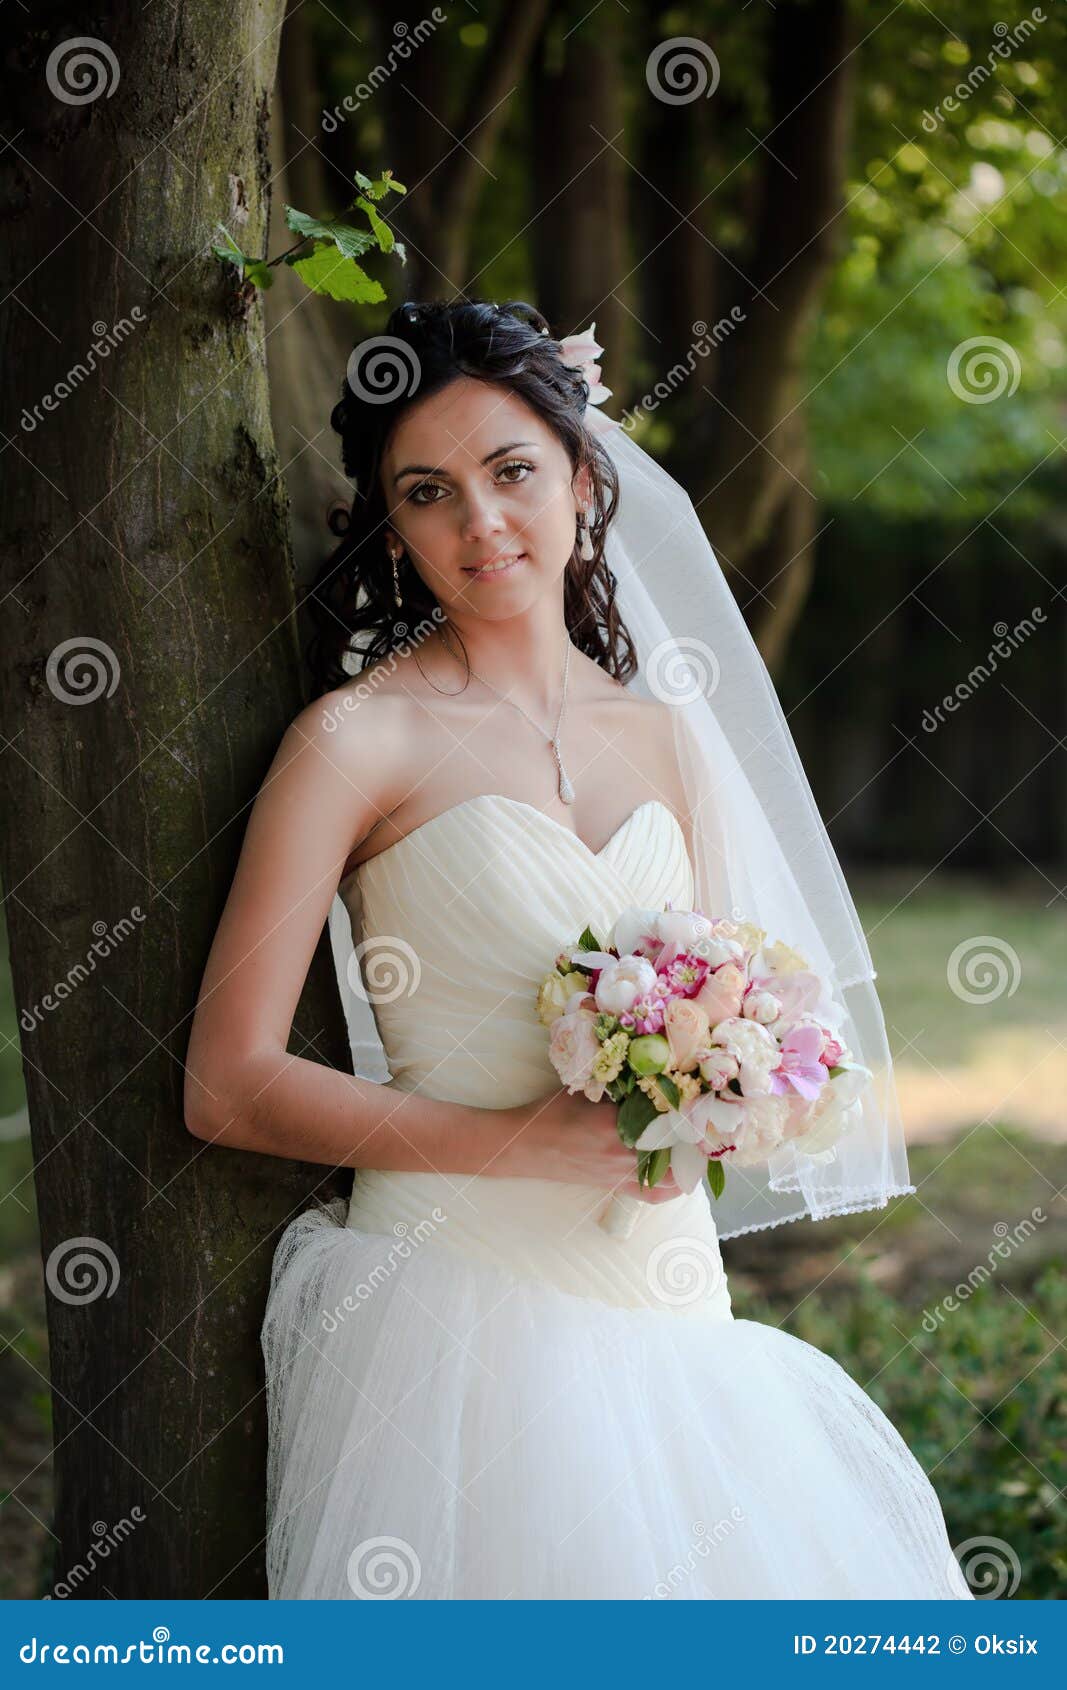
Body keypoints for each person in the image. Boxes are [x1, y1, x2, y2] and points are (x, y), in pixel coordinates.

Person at [184, 298, 975, 1601]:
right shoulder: (353, 741)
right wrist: (514, 1139)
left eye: (511, 473)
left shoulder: (668, 736)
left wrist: (718, 1104)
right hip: (458, 1309)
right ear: (392, 523)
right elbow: (227, 1080)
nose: (481, 523)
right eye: (428, 492)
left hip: (669, 1295)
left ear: (582, 475)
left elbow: (739, 1005)